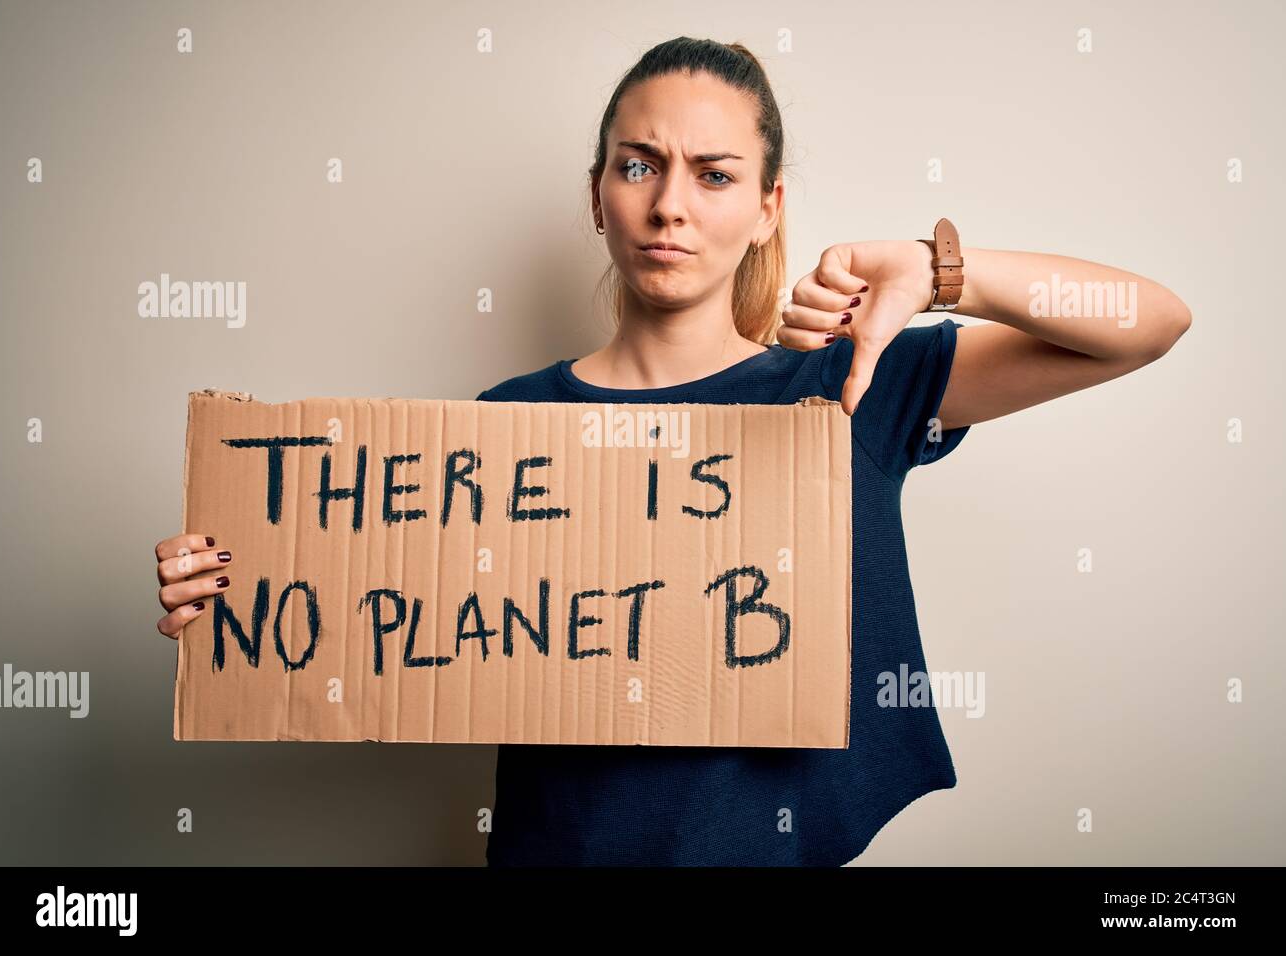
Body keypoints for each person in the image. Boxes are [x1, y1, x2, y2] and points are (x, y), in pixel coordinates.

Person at [152, 37, 1191, 866]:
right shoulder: (506, 422)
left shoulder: (846, 386)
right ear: (596, 191)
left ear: (765, 207)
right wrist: (238, 587)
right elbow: (394, 629)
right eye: (638, 165)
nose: (669, 204)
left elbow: (1148, 322)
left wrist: (936, 267)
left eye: (714, 173)